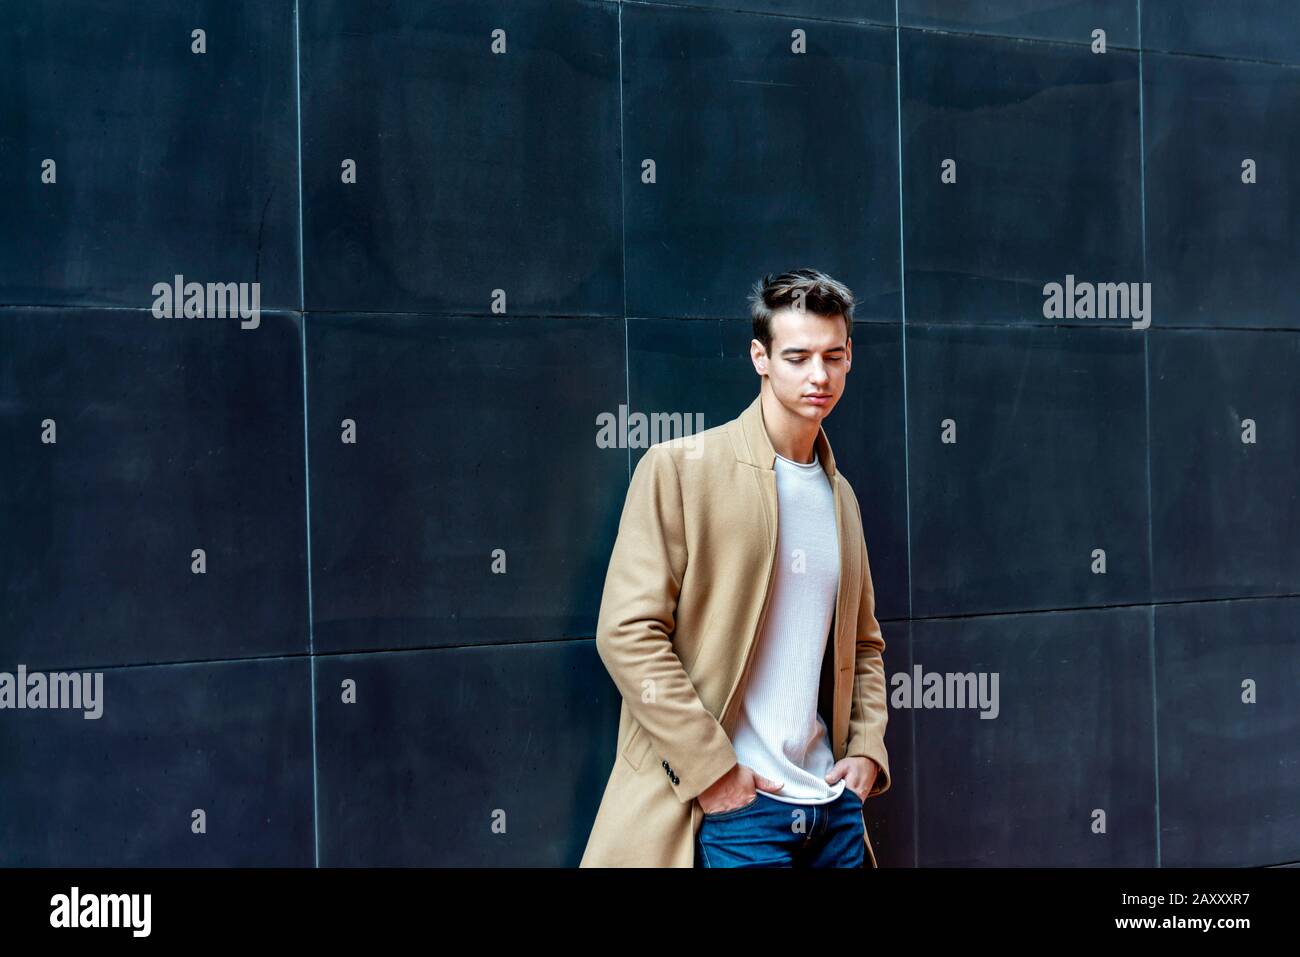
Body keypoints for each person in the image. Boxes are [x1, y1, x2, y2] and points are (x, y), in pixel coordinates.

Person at [580, 268, 891, 868]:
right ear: (761, 357)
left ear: (850, 356)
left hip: (832, 809)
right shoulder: (679, 469)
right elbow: (627, 634)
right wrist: (714, 774)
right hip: (738, 811)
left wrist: (867, 750)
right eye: (797, 357)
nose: (818, 376)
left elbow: (865, 644)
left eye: (832, 356)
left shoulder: (840, 496)